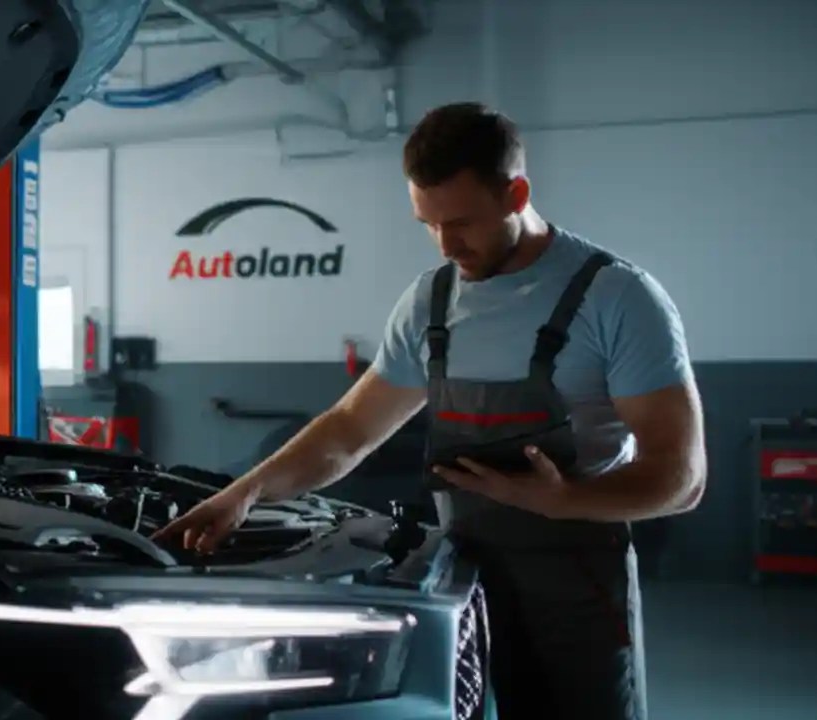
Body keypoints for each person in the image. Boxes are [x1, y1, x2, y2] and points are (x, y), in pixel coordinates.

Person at [152, 102, 707, 719]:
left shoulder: (618, 298)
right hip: (459, 585)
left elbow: (681, 478)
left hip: (576, 590)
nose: (447, 245)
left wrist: (562, 501)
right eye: (428, 223)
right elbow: (349, 430)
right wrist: (247, 493)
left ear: (516, 192)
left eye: (463, 222)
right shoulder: (429, 303)